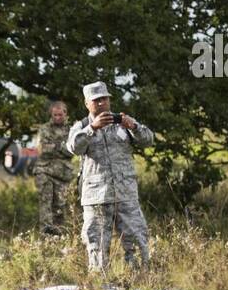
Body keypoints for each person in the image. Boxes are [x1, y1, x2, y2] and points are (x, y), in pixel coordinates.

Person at [66, 81, 154, 271]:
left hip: (126, 196)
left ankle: (141, 285)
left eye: (104, 99)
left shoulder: (122, 123)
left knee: (138, 245)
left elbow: (148, 140)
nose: (101, 103)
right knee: (97, 248)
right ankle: (100, 289)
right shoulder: (81, 126)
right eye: (96, 100)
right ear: (87, 103)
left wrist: (134, 126)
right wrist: (92, 128)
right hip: (97, 198)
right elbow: (73, 147)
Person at [34, 100, 75, 236]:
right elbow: (41, 149)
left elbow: (73, 150)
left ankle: (59, 239)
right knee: (46, 207)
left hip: (63, 175)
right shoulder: (44, 129)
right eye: (55, 115)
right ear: (51, 114)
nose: (57, 117)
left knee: (60, 207)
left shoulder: (72, 130)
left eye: (60, 115)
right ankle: (46, 238)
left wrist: (54, 146)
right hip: (44, 172)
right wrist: (61, 146)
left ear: (66, 114)